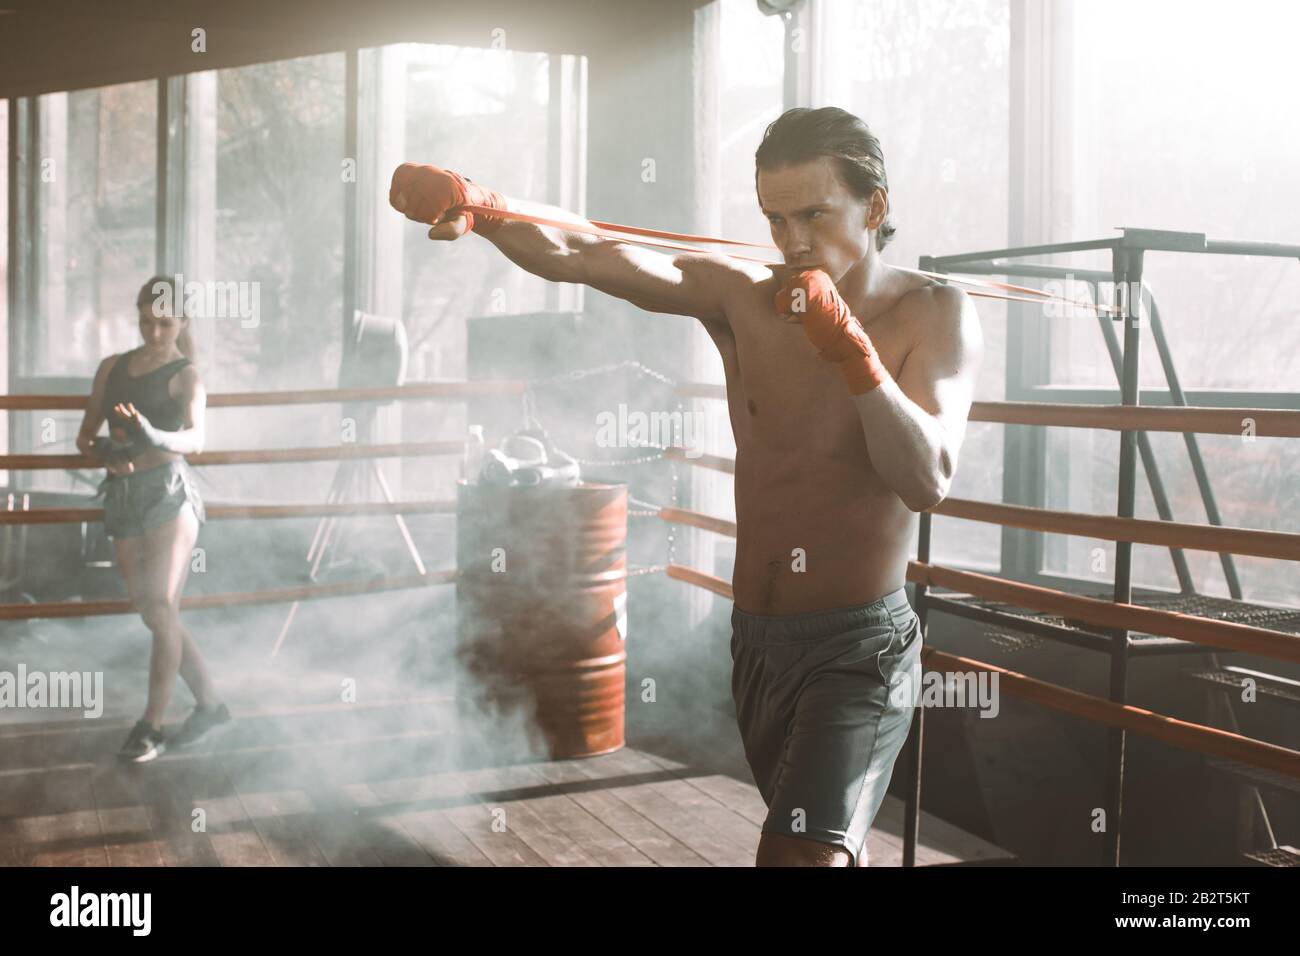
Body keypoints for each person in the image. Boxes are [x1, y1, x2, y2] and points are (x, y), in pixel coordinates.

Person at [390, 106, 984, 866]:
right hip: (757, 646)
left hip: (858, 652)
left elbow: (927, 476)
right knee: (821, 846)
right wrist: (481, 206)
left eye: (814, 214)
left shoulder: (932, 312)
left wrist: (855, 356)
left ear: (875, 207)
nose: (794, 241)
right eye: (775, 219)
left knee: (798, 856)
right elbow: (591, 252)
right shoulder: (742, 297)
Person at [75, 276, 233, 762]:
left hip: (168, 493)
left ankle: (152, 725)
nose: (154, 331)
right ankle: (210, 705)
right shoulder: (111, 368)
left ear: (181, 321)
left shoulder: (187, 375)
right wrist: (107, 452)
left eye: (164, 323)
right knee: (150, 609)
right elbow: (84, 436)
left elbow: (196, 440)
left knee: (161, 606)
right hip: (123, 493)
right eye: (146, 321)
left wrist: (151, 432)